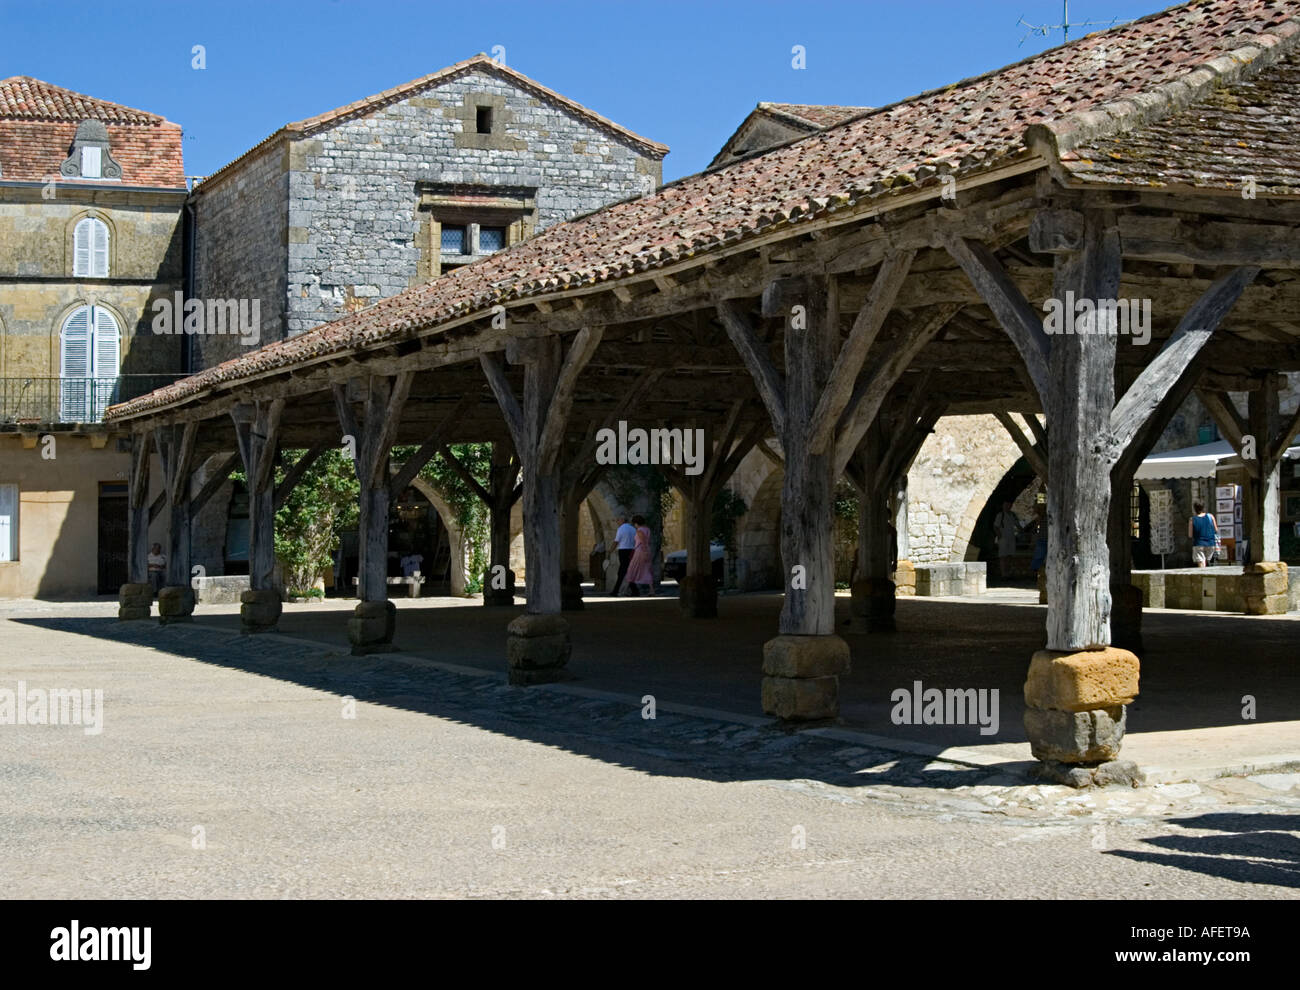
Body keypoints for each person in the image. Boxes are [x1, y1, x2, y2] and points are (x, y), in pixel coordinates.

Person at [622, 515, 656, 597]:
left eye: (634, 524)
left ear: (636, 523)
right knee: (647, 569)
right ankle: (652, 590)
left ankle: (625, 590)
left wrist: (644, 552)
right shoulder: (647, 529)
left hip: (640, 551)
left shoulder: (639, 531)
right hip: (646, 550)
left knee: (632, 569)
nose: (634, 525)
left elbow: (643, 542)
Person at [611, 515, 637, 595]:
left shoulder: (621, 529)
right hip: (632, 551)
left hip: (623, 551)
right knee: (627, 570)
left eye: (618, 520)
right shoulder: (633, 529)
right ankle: (635, 591)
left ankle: (616, 591)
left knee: (622, 571)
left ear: (622, 520)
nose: (617, 522)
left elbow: (616, 541)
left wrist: (610, 550)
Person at [1189, 501, 1219, 567]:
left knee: (1201, 564)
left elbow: (1190, 535)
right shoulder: (1210, 516)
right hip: (1211, 543)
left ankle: (1203, 575)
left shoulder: (1192, 519)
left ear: (1194, 508)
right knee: (1209, 563)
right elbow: (1216, 530)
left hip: (1199, 544)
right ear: (1203, 508)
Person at [993, 500, 1018, 579]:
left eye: (1009, 505)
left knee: (1010, 556)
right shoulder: (1000, 515)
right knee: (1003, 556)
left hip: (1011, 538)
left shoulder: (1013, 515)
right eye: (1006, 505)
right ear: (1003, 506)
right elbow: (995, 526)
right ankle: (1004, 574)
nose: (1007, 507)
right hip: (1003, 539)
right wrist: (999, 535)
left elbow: (1017, 525)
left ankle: (1008, 573)